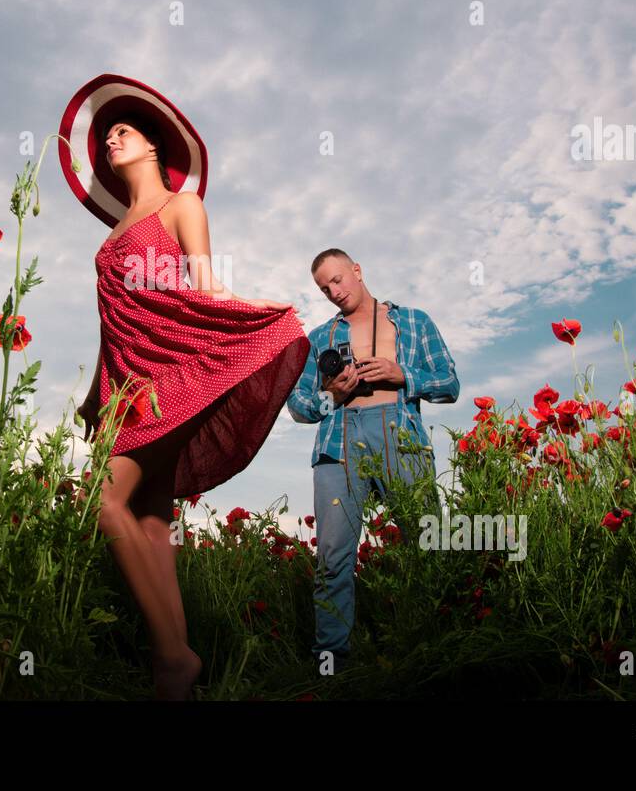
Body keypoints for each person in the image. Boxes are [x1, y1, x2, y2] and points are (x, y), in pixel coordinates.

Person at [59, 73, 310, 700]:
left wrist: (252, 313)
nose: (112, 140)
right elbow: (111, 324)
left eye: (123, 131)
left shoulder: (182, 206)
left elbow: (205, 287)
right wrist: (96, 395)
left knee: (102, 501)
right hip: (124, 384)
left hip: (170, 377)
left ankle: (172, 655)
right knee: (147, 519)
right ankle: (175, 665)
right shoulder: (112, 234)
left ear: (152, 146)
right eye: (106, 136)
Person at [286, 248, 459, 672]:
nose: (334, 291)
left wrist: (403, 376)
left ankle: (433, 653)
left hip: (400, 436)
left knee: (427, 543)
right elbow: (300, 407)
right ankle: (332, 664)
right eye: (325, 288)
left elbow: (450, 383)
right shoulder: (318, 339)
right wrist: (334, 395)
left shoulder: (414, 321)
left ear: (358, 271)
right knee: (333, 555)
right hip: (337, 441)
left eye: (339, 279)